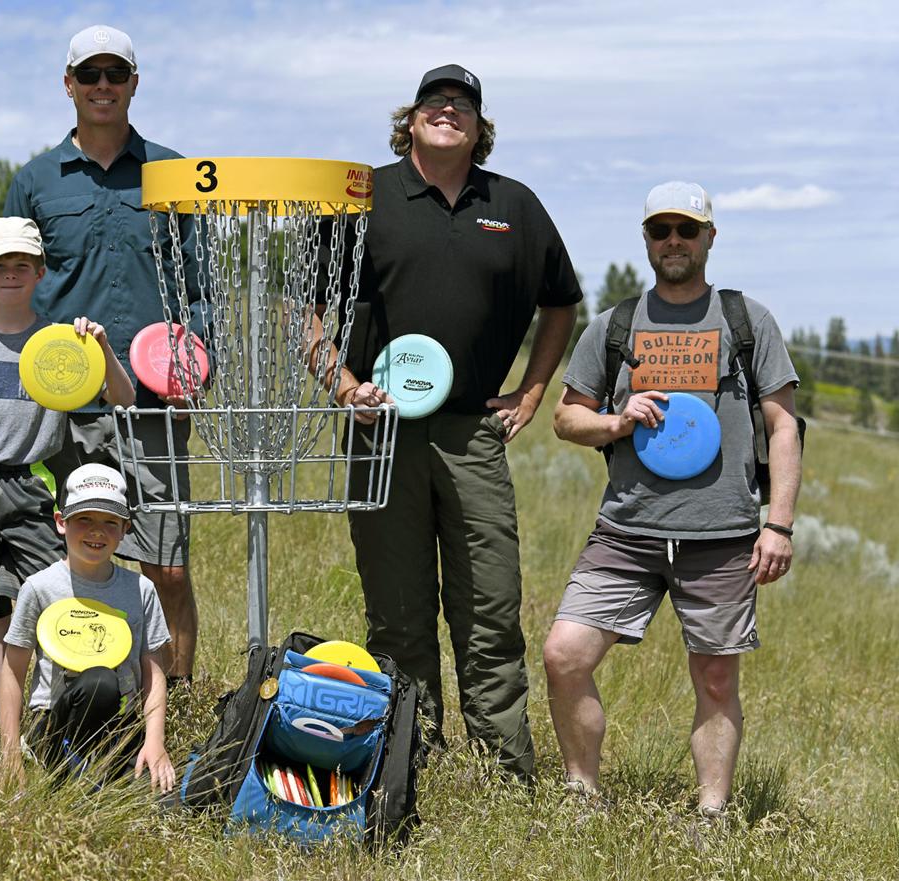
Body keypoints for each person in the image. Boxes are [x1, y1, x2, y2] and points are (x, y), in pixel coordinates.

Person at [321, 64, 582, 779]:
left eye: (462, 104)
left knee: (491, 605)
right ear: (410, 119)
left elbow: (562, 301)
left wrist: (531, 392)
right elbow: (304, 306)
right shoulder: (361, 197)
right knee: (398, 612)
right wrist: (342, 384)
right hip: (381, 431)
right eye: (435, 101)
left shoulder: (515, 206)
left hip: (472, 431)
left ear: (479, 126)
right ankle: (411, 760)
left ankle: (506, 772)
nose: (448, 110)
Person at [543, 181, 802, 815]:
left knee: (716, 677)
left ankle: (711, 818)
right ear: (647, 241)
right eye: (661, 231)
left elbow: (784, 425)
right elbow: (565, 418)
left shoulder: (746, 320)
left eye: (687, 230)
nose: (674, 242)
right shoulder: (616, 326)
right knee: (563, 655)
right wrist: (615, 419)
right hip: (627, 531)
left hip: (722, 535)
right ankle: (584, 797)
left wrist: (780, 526)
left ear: (710, 237)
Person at [3, 24, 202, 686]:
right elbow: (11, 290)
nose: (103, 85)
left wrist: (196, 370)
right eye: (90, 74)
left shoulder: (175, 176)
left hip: (155, 405)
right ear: (69, 85)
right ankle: (76, 704)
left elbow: (199, 291)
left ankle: (171, 708)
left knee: (166, 565)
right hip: (68, 405)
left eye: (116, 73)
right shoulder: (35, 181)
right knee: (75, 559)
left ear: (134, 84)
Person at [0, 216, 134, 717]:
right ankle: (6, 721)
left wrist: (101, 347)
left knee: (57, 599)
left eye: (22, 265)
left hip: (30, 486)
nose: (10, 274)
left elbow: (121, 399)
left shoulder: (65, 343)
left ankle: (61, 709)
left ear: (41, 272)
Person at [0, 463, 175, 792]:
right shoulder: (39, 587)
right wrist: (9, 755)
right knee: (100, 680)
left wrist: (155, 743)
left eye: (110, 522)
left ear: (125, 529)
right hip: (54, 719)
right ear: (61, 523)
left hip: (121, 722)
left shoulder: (140, 589)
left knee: (154, 799)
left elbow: (154, 673)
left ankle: (103, 768)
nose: (97, 531)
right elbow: (12, 671)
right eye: (84, 520)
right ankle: (60, 763)